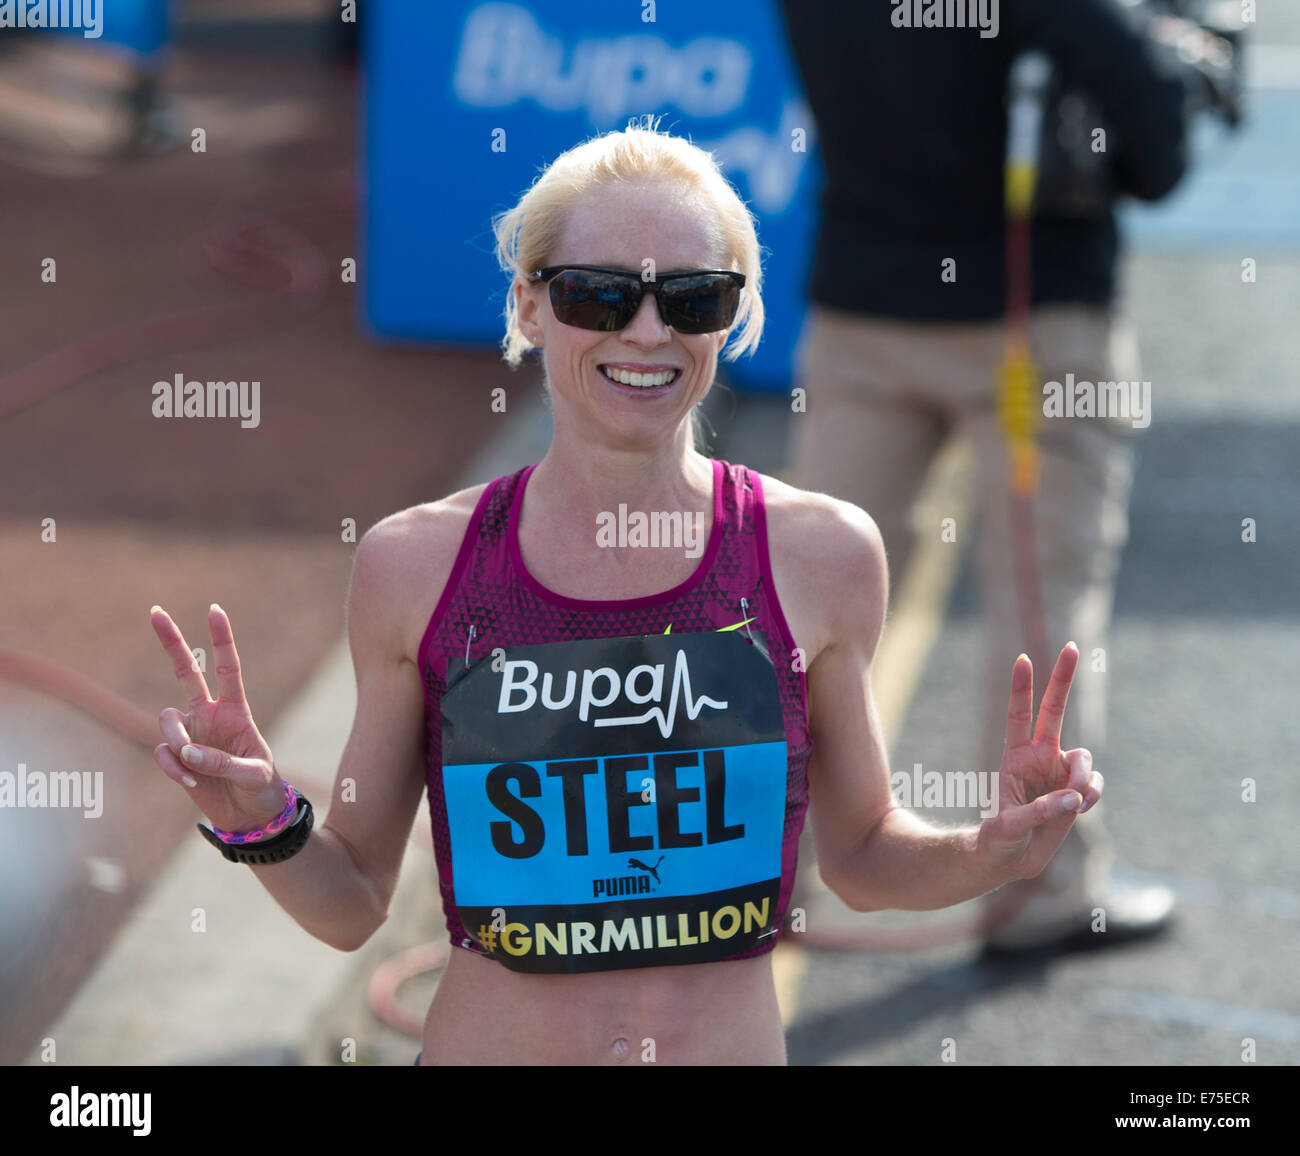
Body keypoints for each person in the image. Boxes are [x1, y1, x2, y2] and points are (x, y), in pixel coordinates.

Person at [148, 123, 1102, 1065]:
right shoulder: (418, 566)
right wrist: (258, 819)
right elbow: (353, 899)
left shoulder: (821, 555)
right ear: (529, 307)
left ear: (733, 318)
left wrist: (995, 852)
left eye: (693, 298)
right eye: (598, 294)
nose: (647, 331)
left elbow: (860, 855)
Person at [779, 0, 1187, 952]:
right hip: (1036, 316)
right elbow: (1160, 151)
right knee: (1046, 606)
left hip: (863, 305)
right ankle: (1043, 891)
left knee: (796, 609)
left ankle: (753, 877)